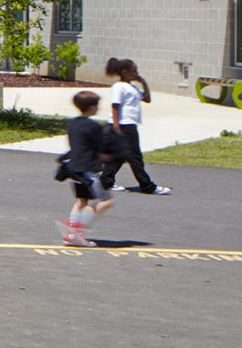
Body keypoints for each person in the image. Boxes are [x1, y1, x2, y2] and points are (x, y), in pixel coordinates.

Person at [59, 90, 122, 246]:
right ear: (92, 107)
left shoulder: (73, 124)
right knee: (105, 202)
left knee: (81, 201)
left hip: (74, 168)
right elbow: (101, 147)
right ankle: (76, 230)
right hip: (88, 170)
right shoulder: (94, 126)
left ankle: (71, 232)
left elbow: (77, 146)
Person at [101, 59, 168, 195]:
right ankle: (147, 186)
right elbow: (115, 106)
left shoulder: (132, 87)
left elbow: (147, 99)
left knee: (119, 155)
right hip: (123, 125)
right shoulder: (119, 87)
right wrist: (116, 126)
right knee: (135, 156)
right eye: (134, 71)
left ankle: (106, 181)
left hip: (129, 124)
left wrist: (143, 82)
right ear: (125, 72)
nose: (137, 73)